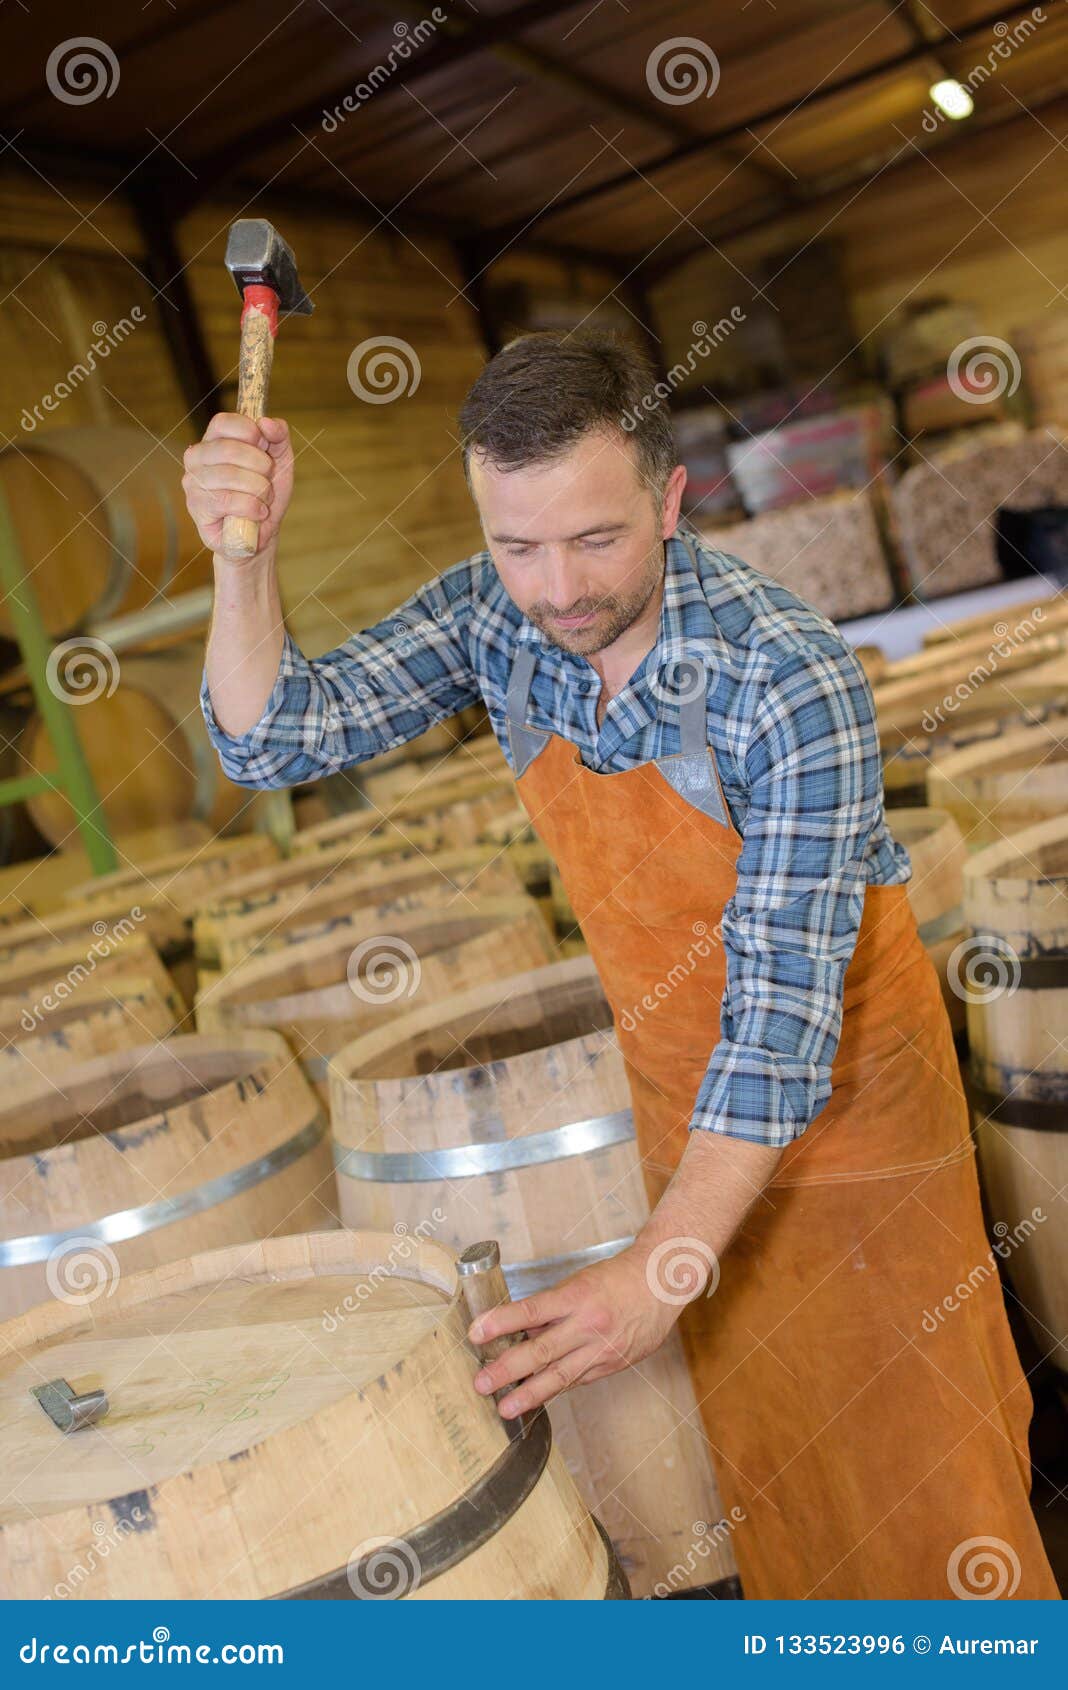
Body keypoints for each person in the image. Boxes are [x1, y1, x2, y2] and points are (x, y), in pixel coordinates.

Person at [186, 328, 1059, 1600]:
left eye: (595, 539)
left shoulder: (783, 675)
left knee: (927, 1485)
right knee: (778, 1476)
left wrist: (660, 1269)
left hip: (855, 1130)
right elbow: (274, 740)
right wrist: (243, 561)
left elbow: (779, 1032)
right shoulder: (496, 615)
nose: (557, 589)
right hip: (683, 1127)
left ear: (669, 499)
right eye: (518, 545)